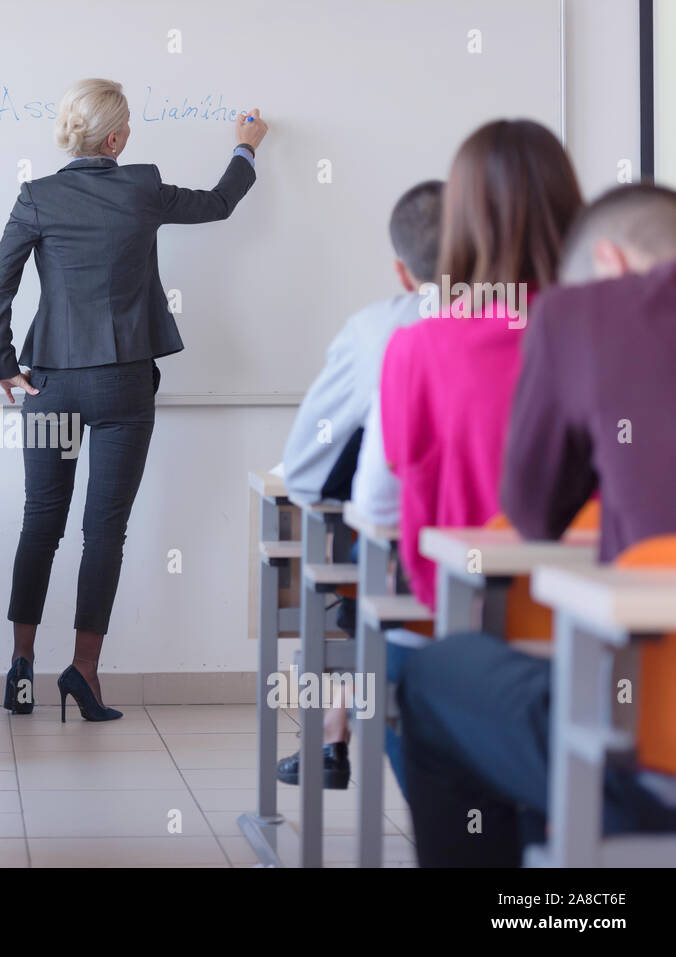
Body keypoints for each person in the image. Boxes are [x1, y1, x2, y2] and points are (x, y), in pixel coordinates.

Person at [397, 183, 676, 866]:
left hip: (657, 733)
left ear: (607, 263)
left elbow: (532, 511)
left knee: (434, 678)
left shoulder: (587, 309)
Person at [0, 77, 265, 720]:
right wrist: (246, 146)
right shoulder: (140, 188)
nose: (132, 131)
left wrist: (4, 365)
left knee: (40, 522)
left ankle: (20, 665)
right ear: (114, 138)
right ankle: (84, 672)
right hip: (123, 385)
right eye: (129, 123)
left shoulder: (38, 197)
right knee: (102, 530)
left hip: (50, 386)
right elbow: (219, 203)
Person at [347, 119, 582, 790]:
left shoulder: (420, 345)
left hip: (469, 638)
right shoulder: (616, 333)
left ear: (460, 224)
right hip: (626, 649)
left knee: (401, 672)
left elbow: (378, 508)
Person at [274, 180, 443, 790]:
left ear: (402, 272)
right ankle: (337, 728)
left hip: (405, 554)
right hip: (529, 566)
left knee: (372, 557)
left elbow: (304, 468)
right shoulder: (534, 322)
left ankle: (333, 733)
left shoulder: (378, 331)